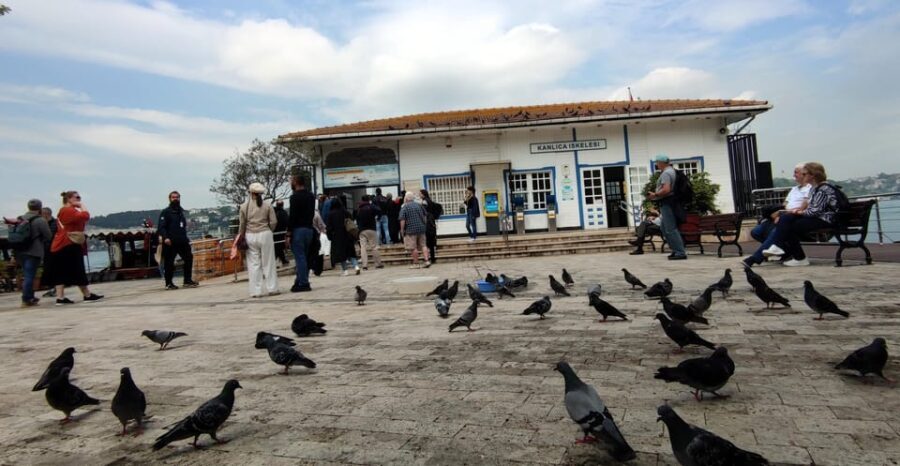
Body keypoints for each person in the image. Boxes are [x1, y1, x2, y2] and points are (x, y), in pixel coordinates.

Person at [743, 162, 839, 267]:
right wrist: (793, 212)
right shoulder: (814, 188)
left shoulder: (823, 189)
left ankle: (786, 254)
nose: (803, 176)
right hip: (815, 218)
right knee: (786, 220)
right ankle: (783, 251)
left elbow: (814, 211)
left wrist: (797, 212)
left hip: (825, 220)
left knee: (787, 223)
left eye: (805, 174)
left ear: (812, 175)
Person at [47, 191, 103, 305]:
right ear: (68, 199)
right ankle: (87, 295)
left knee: (61, 271)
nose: (79, 199)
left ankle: (60, 297)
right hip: (68, 243)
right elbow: (85, 216)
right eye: (77, 197)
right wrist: (82, 205)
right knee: (78, 269)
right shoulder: (67, 210)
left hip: (60, 245)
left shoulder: (65, 211)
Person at [750, 163, 812, 261]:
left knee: (773, 230)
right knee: (756, 232)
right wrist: (779, 212)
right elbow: (785, 203)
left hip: (796, 216)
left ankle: (757, 257)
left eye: (796, 172)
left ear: (804, 174)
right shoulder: (794, 189)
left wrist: (783, 214)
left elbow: (803, 208)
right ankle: (785, 251)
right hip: (784, 214)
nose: (794, 175)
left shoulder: (810, 188)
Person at [239, 183, 279, 297]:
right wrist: (269, 230)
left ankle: (256, 291)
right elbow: (273, 221)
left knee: (253, 264)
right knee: (269, 262)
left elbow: (242, 225)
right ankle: (272, 288)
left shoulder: (244, 206)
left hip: (250, 235)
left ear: (250, 193)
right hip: (265, 233)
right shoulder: (267, 205)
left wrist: (241, 235)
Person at [12, 199, 52, 307]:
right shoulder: (40, 220)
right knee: (30, 275)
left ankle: (30, 296)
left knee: (27, 274)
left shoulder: (20, 219)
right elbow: (48, 236)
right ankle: (26, 299)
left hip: (20, 251)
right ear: (39, 208)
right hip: (34, 251)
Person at [646, 155, 687, 260]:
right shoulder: (671, 171)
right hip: (669, 202)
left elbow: (666, 189)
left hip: (668, 202)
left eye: (657, 162)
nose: (656, 164)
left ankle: (680, 252)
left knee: (670, 228)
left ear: (661, 162)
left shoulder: (666, 173)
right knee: (664, 228)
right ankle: (675, 250)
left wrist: (654, 195)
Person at [157, 191, 199, 290]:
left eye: (177, 197)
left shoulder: (180, 212)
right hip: (170, 241)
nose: (175, 199)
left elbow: (183, 226)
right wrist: (165, 237)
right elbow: (161, 227)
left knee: (189, 258)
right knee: (169, 263)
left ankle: (187, 280)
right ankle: (169, 283)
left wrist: (186, 238)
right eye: (173, 197)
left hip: (182, 240)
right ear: (170, 199)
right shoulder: (166, 212)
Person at [288, 175, 316, 292]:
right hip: (309, 229)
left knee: (299, 257)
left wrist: (288, 233)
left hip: (298, 229)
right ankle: (299, 279)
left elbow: (292, 216)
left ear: (296, 182)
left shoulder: (294, 197)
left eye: (292, 181)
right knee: (304, 256)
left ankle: (303, 282)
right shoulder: (311, 196)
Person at [325, 197, 360, 276]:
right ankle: (356, 266)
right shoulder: (345, 212)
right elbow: (351, 221)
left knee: (342, 254)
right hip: (348, 235)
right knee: (351, 252)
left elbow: (329, 227)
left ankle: (345, 271)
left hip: (338, 237)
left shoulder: (331, 214)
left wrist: (329, 236)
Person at [399, 191, 431, 269]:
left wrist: (402, 230)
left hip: (410, 230)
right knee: (423, 245)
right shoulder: (419, 205)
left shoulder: (405, 207)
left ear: (406, 198)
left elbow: (402, 220)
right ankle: (427, 261)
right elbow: (425, 216)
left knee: (413, 247)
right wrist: (424, 224)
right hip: (421, 228)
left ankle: (416, 263)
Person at [355, 195, 384, 270]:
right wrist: (378, 217)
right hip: (371, 229)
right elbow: (379, 210)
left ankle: (364, 265)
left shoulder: (359, 208)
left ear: (362, 200)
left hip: (362, 230)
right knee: (374, 247)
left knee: (363, 247)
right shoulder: (371, 206)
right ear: (368, 200)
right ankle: (378, 264)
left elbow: (356, 219)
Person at [420, 189, 443, 263]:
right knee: (431, 241)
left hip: (427, 223)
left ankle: (427, 258)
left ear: (423, 194)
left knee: (426, 241)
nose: (419, 195)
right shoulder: (429, 200)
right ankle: (432, 258)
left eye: (420, 194)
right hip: (432, 222)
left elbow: (423, 212)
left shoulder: (424, 202)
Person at [40, 207, 58, 297]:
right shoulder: (44, 224)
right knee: (48, 270)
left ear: (46, 214)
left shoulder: (55, 223)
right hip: (46, 251)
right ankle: (52, 288)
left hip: (54, 250)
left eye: (41, 214)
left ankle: (55, 289)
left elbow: (49, 237)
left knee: (54, 269)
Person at [273, 199, 290, 266]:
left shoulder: (274, 212)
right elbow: (287, 222)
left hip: (274, 232)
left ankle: (283, 260)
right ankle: (279, 261)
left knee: (277, 246)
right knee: (278, 247)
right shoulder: (284, 213)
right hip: (281, 232)